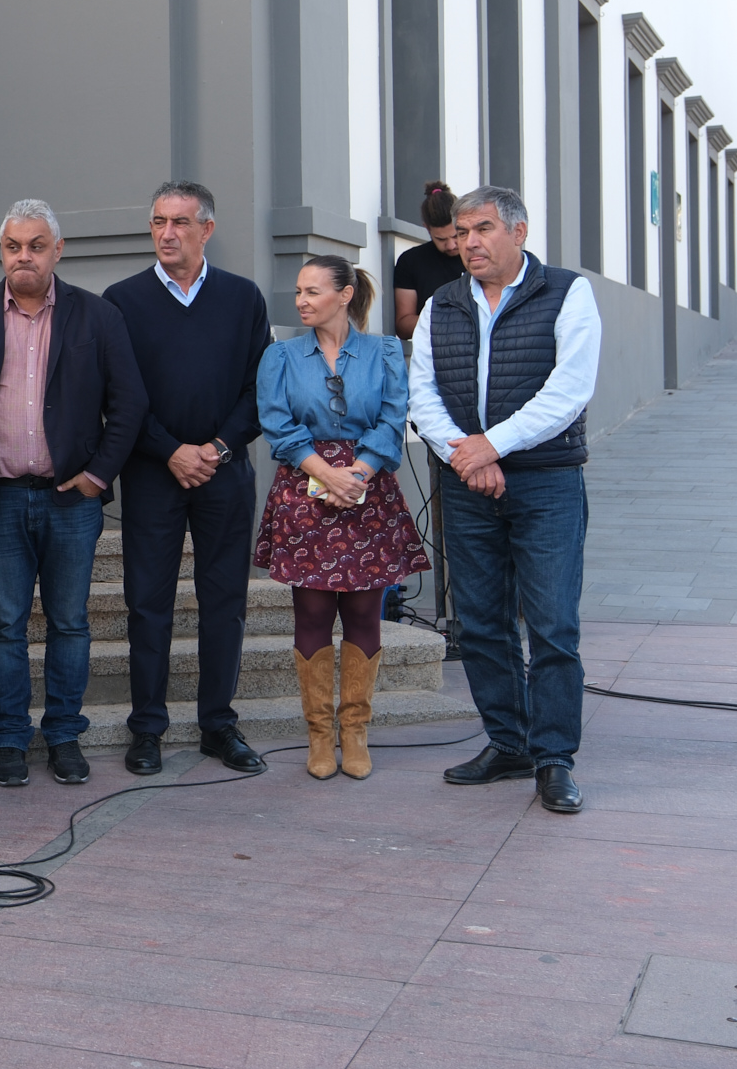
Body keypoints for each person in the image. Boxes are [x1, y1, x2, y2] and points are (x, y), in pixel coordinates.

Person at [407, 186, 599, 814]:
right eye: (462, 232)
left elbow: (567, 391)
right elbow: (422, 393)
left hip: (544, 482)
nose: (469, 243)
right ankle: (508, 743)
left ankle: (553, 758)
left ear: (518, 231)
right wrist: (468, 454)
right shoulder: (442, 304)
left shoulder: (567, 293)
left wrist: (491, 445)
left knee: (552, 626)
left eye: (483, 228)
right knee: (483, 623)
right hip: (468, 485)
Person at [0, 202, 146, 787]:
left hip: (70, 501)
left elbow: (129, 404)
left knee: (69, 623)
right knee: (4, 625)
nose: (23, 256)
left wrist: (97, 477)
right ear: (1, 251)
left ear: (58, 251)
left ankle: (63, 735)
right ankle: (8, 737)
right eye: (12, 246)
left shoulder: (97, 316)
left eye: (35, 245)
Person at [102, 183, 272, 777]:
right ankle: (147, 728)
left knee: (224, 602)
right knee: (148, 604)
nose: (167, 232)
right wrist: (171, 449)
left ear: (207, 229)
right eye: (157, 222)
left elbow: (261, 391)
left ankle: (218, 727)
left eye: (179, 222)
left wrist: (219, 448)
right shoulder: (121, 300)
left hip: (225, 475)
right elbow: (118, 396)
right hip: (152, 475)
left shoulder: (243, 298)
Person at [255, 259, 430, 779]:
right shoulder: (280, 355)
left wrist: (355, 475)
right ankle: (318, 735)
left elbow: (393, 416)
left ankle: (354, 732)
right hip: (304, 493)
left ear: (345, 294)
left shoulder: (384, 352)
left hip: (367, 491)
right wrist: (325, 476)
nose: (301, 301)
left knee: (363, 616)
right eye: (298, 292)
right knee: (310, 616)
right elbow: (277, 424)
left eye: (312, 292)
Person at [394, 181, 466, 338]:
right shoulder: (411, 261)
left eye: (456, 236)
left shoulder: (480, 257)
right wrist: (448, 321)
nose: (451, 245)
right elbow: (403, 326)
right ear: (426, 228)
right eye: (441, 239)